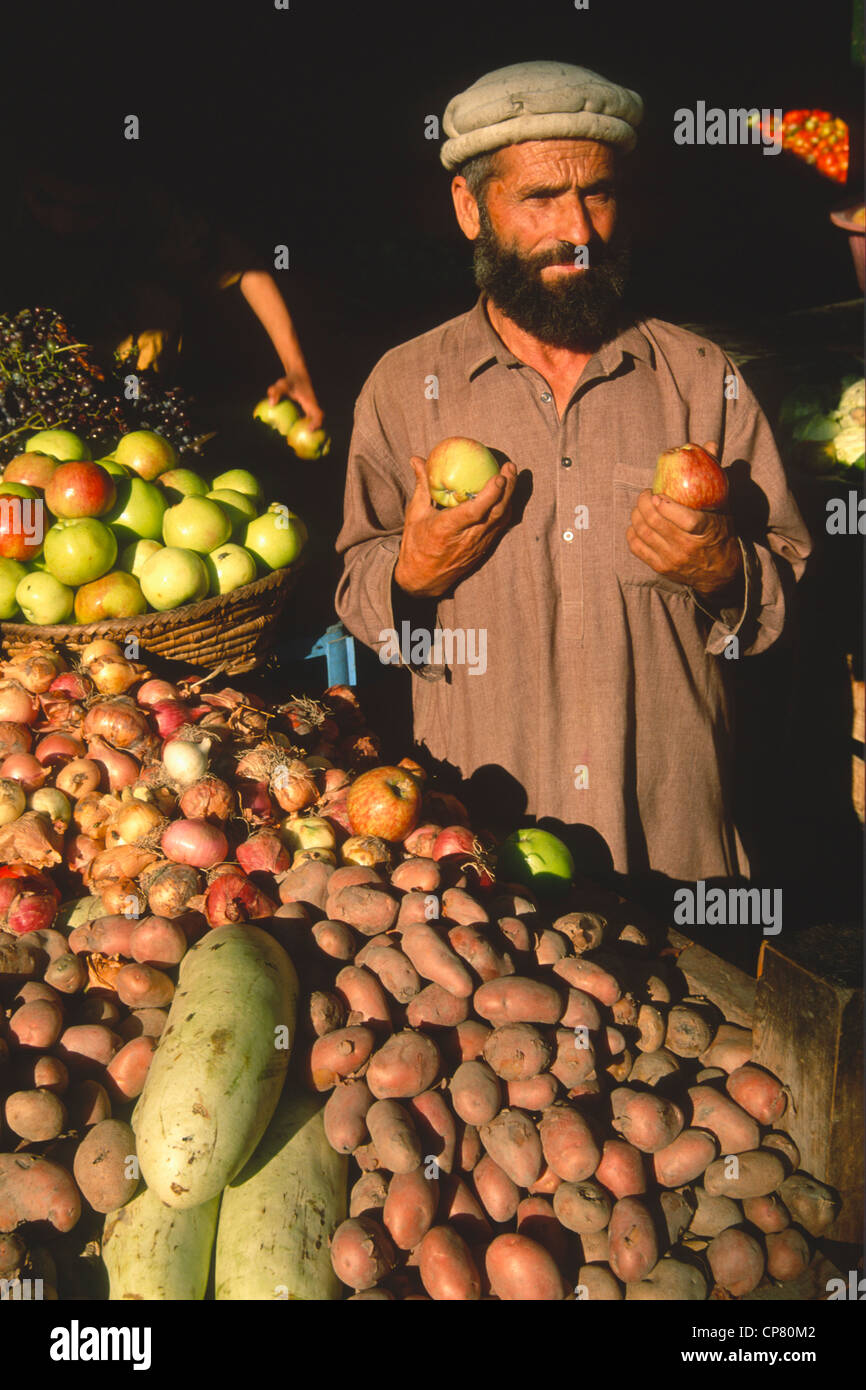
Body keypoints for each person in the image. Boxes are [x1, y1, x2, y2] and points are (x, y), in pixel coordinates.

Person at [335, 61, 812, 885]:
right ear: (468, 207)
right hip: (476, 846)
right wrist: (407, 576)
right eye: (541, 200)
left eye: (597, 194)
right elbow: (355, 588)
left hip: (671, 841)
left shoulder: (701, 378)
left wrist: (725, 571)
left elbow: (786, 586)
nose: (580, 230)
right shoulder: (405, 386)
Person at [0, 154, 323, 427]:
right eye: (47, 200)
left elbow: (247, 271)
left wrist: (296, 369)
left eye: (86, 209)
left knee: (153, 308)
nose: (64, 221)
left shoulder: (149, 215)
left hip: (117, 388)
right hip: (22, 380)